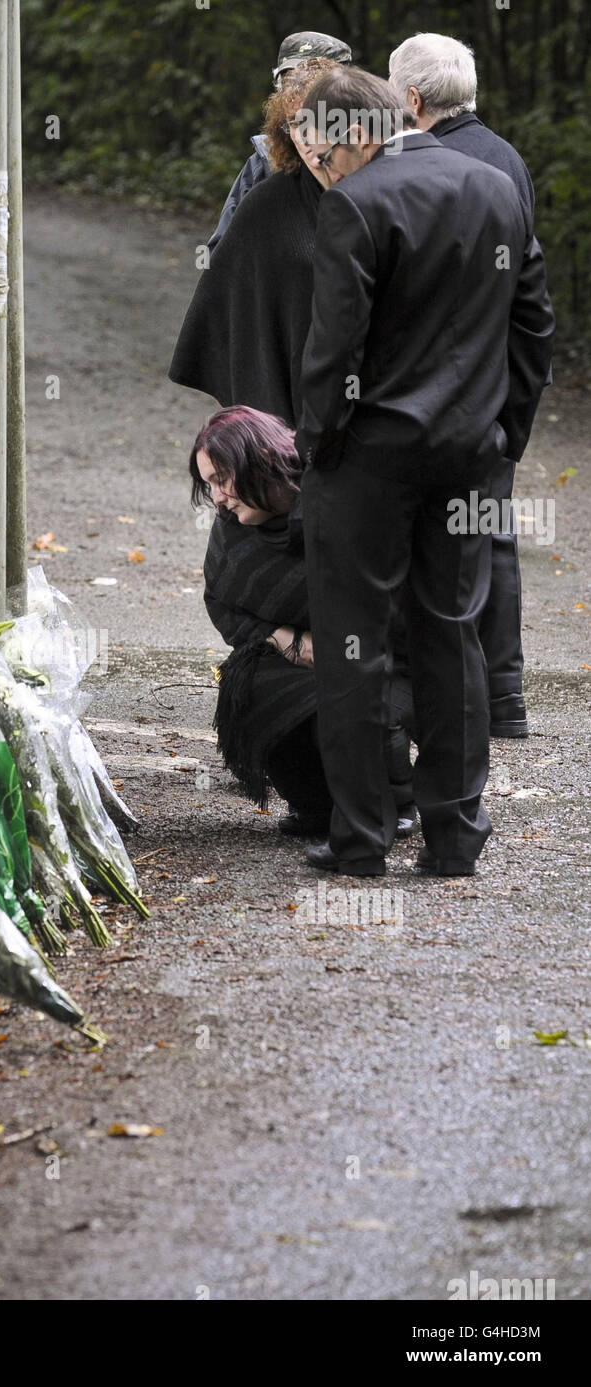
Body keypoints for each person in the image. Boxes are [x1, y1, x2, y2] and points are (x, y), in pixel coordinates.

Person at [293, 67, 555, 877]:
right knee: (452, 632)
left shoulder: (355, 204)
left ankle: (363, 838)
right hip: (468, 455)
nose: (321, 167)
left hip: (369, 457)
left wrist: (317, 444)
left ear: (351, 135)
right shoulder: (493, 188)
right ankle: (453, 834)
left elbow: (334, 348)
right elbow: (532, 326)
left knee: (354, 643)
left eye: (323, 150)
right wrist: (502, 433)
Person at [389, 32, 542, 738]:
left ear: (411, 98)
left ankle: (426, 695)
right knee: (492, 536)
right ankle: (502, 695)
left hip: (424, 397)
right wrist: (515, 413)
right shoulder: (506, 159)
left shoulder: (410, 165)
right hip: (493, 393)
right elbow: (528, 305)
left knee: (418, 543)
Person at [190, 405, 416, 837]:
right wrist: (287, 639)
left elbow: (398, 600)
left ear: (259, 463)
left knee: (350, 694)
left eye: (222, 479)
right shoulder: (232, 525)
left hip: (385, 655)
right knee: (253, 687)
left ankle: (395, 796)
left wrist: (340, 645)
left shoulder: (337, 505)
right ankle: (315, 805)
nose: (217, 497)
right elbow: (222, 605)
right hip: (297, 654)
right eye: (208, 484)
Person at [170, 56, 338, 420]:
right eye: (296, 125)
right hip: (287, 403)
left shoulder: (381, 194)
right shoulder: (267, 202)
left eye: (318, 123)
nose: (308, 139)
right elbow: (224, 296)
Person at [206, 30, 352, 251]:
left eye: (317, 81)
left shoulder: (368, 154)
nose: (302, 89)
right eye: (291, 81)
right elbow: (222, 253)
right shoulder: (264, 161)